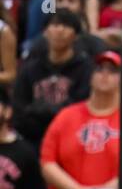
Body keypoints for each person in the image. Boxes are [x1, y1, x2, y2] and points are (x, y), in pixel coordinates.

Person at [39, 49, 120, 189]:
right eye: (99, 69)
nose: (105, 75)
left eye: (112, 71)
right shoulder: (66, 116)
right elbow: (47, 162)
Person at [12, 11, 92, 145]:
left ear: (76, 35)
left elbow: (82, 108)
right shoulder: (29, 69)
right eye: (55, 24)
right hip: (33, 140)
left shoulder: (86, 69)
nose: (60, 30)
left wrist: (39, 110)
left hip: (72, 138)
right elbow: (19, 111)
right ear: (45, 31)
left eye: (66, 26)